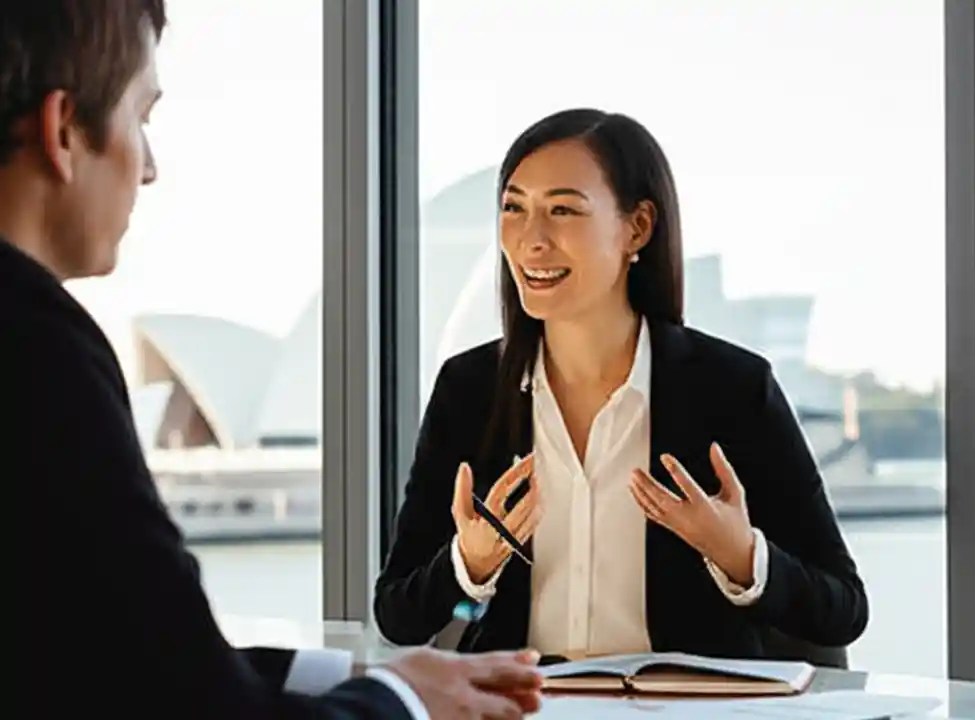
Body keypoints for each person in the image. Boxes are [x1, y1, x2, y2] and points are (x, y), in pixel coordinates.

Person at [1, 2, 542, 718]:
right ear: (64, 129)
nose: (151, 167)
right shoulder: (39, 353)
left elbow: (106, 655)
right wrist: (400, 698)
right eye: (143, 119)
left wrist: (341, 674)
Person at [375, 109, 870, 662]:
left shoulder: (732, 388)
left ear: (637, 228)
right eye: (514, 208)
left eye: (562, 210)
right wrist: (469, 564)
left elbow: (843, 610)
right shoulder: (470, 390)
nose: (530, 240)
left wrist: (739, 555)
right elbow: (398, 614)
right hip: (526, 705)